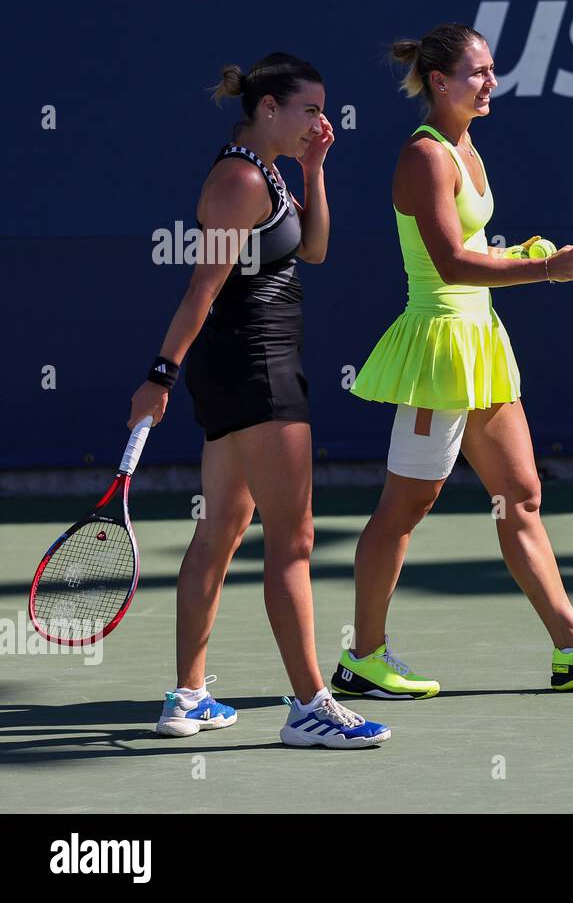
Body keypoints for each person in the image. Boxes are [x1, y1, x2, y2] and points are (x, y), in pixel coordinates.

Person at [335, 24, 573, 699]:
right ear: (438, 81)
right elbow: (449, 263)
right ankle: (363, 657)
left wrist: (516, 257)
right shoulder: (425, 157)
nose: (491, 82)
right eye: (477, 72)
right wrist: (542, 270)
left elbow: (472, 249)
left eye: (492, 70)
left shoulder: (467, 146)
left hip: (481, 343)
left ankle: (572, 648)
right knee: (405, 507)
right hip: (437, 350)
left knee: (522, 496)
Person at [129, 53, 390, 747]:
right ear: (268, 108)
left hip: (248, 369)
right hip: (257, 369)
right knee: (293, 540)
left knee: (220, 532)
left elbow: (317, 249)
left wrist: (316, 170)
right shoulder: (239, 180)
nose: (320, 121)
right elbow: (201, 289)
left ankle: (187, 698)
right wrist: (159, 375)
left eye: (322, 110)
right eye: (308, 110)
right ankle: (310, 706)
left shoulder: (269, 170)